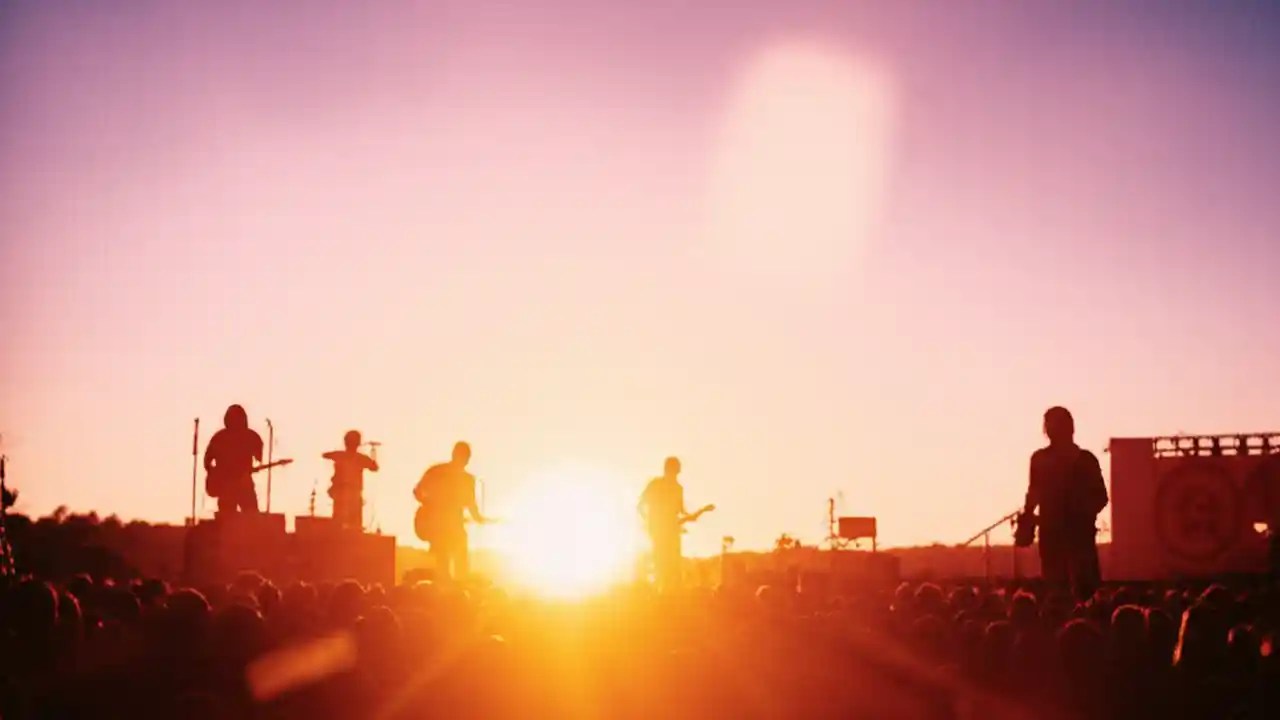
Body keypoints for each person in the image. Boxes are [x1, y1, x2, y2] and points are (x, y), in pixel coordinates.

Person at [1022, 406, 1108, 599]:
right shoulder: (1085, 460)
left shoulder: (1042, 459)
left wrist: (1029, 518)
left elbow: (1033, 494)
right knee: (1076, 591)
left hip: (1064, 535)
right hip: (1068, 535)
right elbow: (1101, 498)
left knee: (1063, 591)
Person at [414, 442, 486, 582]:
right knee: (451, 554)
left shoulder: (440, 472)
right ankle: (454, 585)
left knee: (452, 555)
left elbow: (417, 491)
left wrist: (478, 518)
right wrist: (432, 507)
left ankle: (454, 584)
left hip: (450, 526)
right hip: (441, 527)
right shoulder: (441, 473)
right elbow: (418, 491)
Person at [638, 456, 702, 592]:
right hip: (660, 531)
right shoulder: (656, 484)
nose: (676, 473)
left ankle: (668, 593)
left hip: (670, 531)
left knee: (671, 565)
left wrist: (698, 513)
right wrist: (649, 522)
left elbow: (682, 512)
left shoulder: (678, 488)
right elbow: (640, 505)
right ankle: (661, 592)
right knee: (662, 563)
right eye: (676, 469)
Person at [204, 404, 264, 514]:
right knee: (242, 516)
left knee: (250, 515)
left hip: (241, 483)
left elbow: (207, 462)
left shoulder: (220, 437)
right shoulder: (249, 437)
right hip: (229, 486)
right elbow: (207, 462)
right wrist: (216, 476)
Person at [323, 430, 379, 530]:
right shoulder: (359, 458)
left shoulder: (347, 456)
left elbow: (325, 455)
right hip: (347, 492)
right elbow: (374, 467)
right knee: (350, 522)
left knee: (345, 521)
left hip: (347, 492)